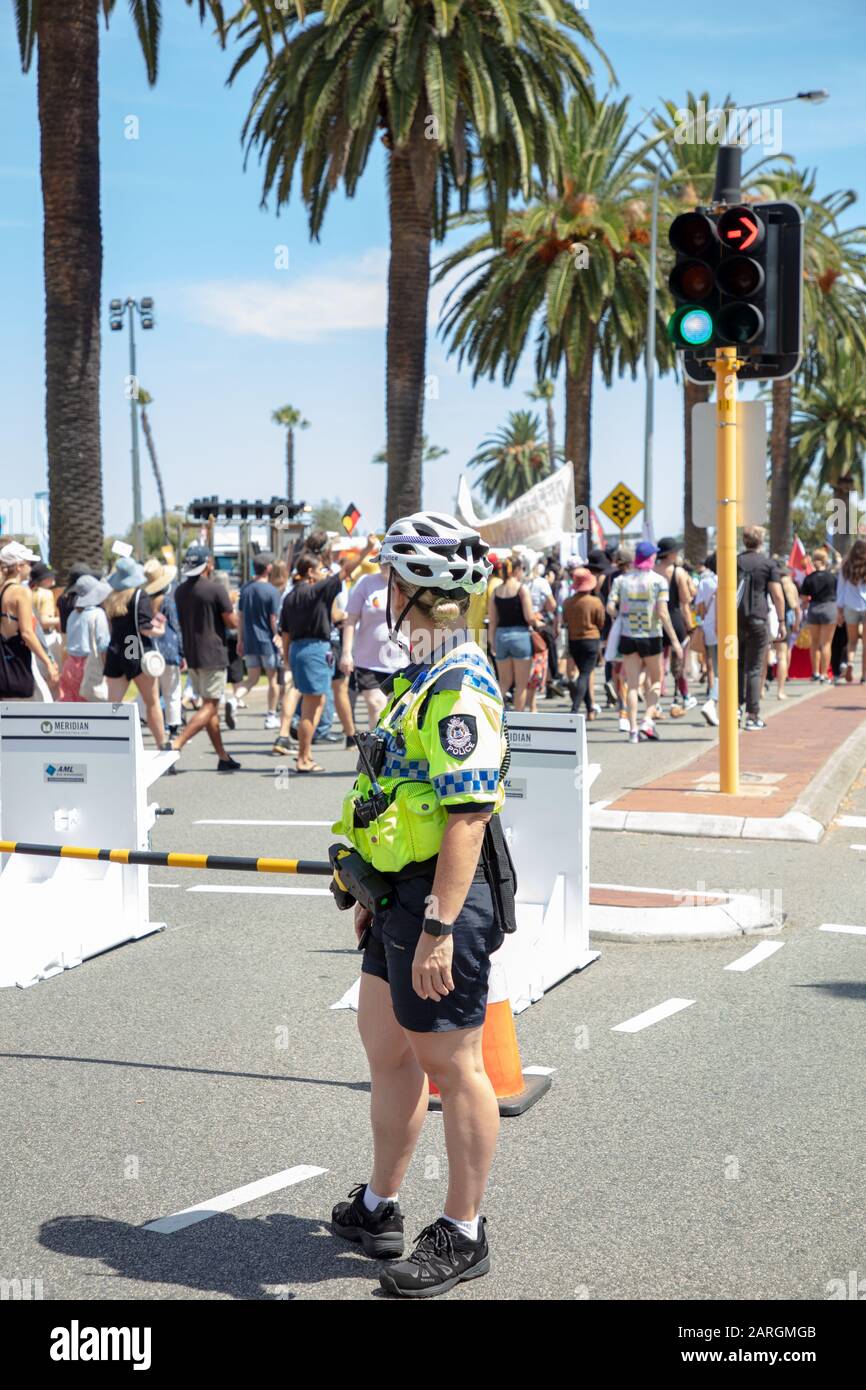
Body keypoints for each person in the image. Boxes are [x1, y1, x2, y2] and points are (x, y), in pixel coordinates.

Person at [329, 510, 512, 1299]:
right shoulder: (422, 679)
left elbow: (468, 816)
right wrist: (374, 889)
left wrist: (437, 925)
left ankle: (465, 1231)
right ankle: (380, 1207)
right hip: (399, 895)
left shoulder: (461, 685)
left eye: (387, 583)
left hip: (444, 900)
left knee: (454, 1062)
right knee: (386, 1046)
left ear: (411, 590)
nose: (379, 596)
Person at [278, 549, 362, 773]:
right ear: (310, 573)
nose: (326, 573)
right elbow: (345, 571)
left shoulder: (290, 596)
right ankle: (303, 758)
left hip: (298, 649)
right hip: (314, 650)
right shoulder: (316, 590)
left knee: (316, 703)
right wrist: (364, 551)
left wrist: (287, 658)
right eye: (322, 569)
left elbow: (285, 632)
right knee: (310, 708)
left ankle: (305, 755)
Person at [170, 545, 240, 772]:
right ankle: (177, 744)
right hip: (213, 653)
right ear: (208, 564)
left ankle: (222, 756)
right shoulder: (215, 590)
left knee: (210, 707)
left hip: (193, 653)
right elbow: (232, 622)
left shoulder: (179, 591)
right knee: (210, 706)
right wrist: (233, 605)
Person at [607, 539, 682, 743]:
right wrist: (675, 641)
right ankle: (647, 719)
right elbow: (663, 613)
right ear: (651, 558)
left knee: (632, 685)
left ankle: (632, 730)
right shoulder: (659, 582)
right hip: (651, 636)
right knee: (656, 680)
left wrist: (622, 614)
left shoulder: (621, 581)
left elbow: (610, 608)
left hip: (628, 636)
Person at [103, 556, 167, 747]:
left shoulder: (111, 598)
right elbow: (144, 627)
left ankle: (106, 744)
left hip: (116, 651)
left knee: (113, 706)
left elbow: (110, 628)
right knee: (152, 702)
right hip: (136, 651)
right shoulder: (139, 595)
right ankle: (162, 745)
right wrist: (160, 630)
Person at [341, 568, 404, 734]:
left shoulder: (408, 583)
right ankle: (378, 750)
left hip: (403, 661)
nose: (385, 566)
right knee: (376, 704)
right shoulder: (366, 583)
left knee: (401, 712)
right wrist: (346, 653)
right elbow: (350, 620)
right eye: (382, 561)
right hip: (369, 661)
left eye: (390, 562)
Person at [737, 526, 785, 730]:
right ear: (761, 542)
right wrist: (782, 621)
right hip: (758, 618)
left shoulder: (735, 561)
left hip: (735, 620)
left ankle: (735, 708)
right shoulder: (768, 564)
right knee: (754, 668)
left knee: (737, 666)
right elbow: (777, 595)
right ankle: (752, 715)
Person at [0, 541, 60, 699]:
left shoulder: (2, 591)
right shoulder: (21, 592)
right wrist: (48, 662)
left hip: (4, 666)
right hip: (20, 663)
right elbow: (27, 633)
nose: (31, 567)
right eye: (28, 563)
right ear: (19, 566)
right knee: (42, 708)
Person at [137, 559, 183, 736]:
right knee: (172, 690)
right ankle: (173, 727)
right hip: (169, 649)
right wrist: (182, 652)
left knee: (150, 691)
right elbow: (176, 627)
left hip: (150, 652)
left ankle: (141, 716)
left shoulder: (145, 603)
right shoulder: (168, 602)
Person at [238, 554, 282, 730]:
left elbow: (240, 617)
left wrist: (240, 639)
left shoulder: (245, 589)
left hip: (249, 640)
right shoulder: (272, 591)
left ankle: (233, 700)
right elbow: (273, 618)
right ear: (269, 568)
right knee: (273, 680)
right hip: (267, 641)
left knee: (252, 679)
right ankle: (271, 715)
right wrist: (277, 635)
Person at [487, 557, 533, 711]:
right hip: (520, 636)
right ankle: (518, 721)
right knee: (521, 684)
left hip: (501, 636)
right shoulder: (522, 589)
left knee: (504, 682)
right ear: (517, 570)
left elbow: (492, 620)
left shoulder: (496, 591)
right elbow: (529, 617)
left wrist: (491, 641)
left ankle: (493, 712)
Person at [655, 537, 696, 711]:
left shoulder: (653, 570)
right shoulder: (677, 572)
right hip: (675, 617)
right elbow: (685, 600)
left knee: (657, 662)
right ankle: (684, 695)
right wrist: (690, 625)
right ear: (671, 554)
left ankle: (655, 699)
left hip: (656, 620)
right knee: (679, 660)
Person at [59, 575, 112, 701]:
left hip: (70, 664)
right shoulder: (98, 614)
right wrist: (108, 670)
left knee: (72, 708)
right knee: (92, 710)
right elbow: (103, 645)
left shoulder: (73, 614)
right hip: (89, 665)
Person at [562, 568, 605, 717]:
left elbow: (564, 620)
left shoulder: (568, 602)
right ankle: (575, 709)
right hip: (591, 640)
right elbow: (601, 622)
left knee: (583, 674)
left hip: (574, 641)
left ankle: (589, 709)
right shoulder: (595, 602)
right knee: (585, 675)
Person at [836, 539, 866, 682]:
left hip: (850, 605)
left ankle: (850, 663)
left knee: (852, 641)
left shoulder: (846, 565)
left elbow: (840, 589)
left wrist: (839, 610)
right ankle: (865, 675)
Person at [694, 554, 719, 726]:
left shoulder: (705, 582)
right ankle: (713, 701)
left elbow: (700, 608)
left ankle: (712, 695)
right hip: (730, 630)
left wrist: (705, 619)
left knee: (712, 665)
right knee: (728, 668)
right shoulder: (732, 580)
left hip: (710, 628)